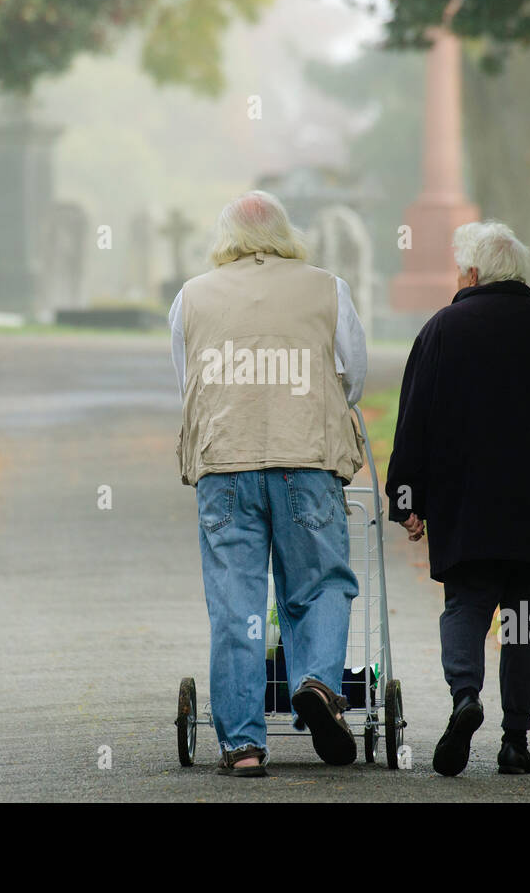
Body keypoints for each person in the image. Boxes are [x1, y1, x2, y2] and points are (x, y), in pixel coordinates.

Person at [384, 220, 530, 778]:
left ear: (470, 272)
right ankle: (516, 740)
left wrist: (406, 498)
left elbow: (414, 419)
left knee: (466, 604)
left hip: (468, 505)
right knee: (527, 620)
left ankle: (466, 697)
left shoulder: (443, 330)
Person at [170, 190, 368, 776]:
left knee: (236, 603)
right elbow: (353, 377)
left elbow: (186, 381)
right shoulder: (327, 288)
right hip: (304, 457)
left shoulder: (191, 298)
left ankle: (243, 745)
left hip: (224, 465)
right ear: (286, 233)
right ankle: (316, 682)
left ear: (224, 238)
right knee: (321, 584)